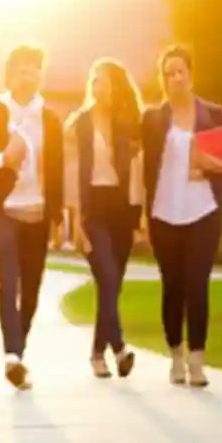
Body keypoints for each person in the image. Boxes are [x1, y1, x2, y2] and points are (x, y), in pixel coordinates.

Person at [0, 44, 64, 389]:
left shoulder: (49, 119)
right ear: (10, 75)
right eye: (23, 69)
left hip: (37, 211)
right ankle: (12, 355)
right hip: (3, 211)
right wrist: (1, 159)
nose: (31, 75)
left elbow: (57, 171)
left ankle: (18, 352)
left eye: (36, 69)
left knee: (32, 289)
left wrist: (57, 216)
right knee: (9, 281)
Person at [141, 45, 222, 388]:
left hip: (204, 211)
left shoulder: (213, 114)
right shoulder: (153, 119)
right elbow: (143, 165)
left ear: (190, 74)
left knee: (197, 284)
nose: (175, 78)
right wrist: (140, 213)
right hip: (164, 214)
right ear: (163, 79)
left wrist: (210, 167)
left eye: (180, 71)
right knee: (173, 287)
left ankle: (197, 361)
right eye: (169, 73)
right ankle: (176, 356)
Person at [65, 58, 145, 379]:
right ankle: (120, 348)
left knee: (110, 287)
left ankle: (99, 354)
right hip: (93, 209)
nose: (99, 86)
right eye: (95, 80)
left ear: (116, 87)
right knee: (109, 278)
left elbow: (140, 172)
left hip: (122, 209)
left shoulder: (127, 124)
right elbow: (71, 174)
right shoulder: (79, 123)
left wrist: (140, 219)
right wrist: (74, 224)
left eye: (105, 81)